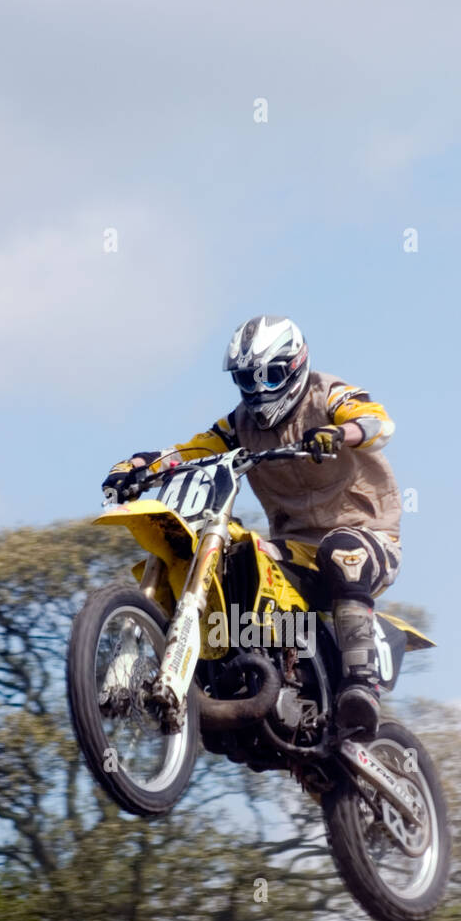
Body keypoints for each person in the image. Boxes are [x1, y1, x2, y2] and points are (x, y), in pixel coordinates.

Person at [103, 315, 402, 736]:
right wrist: (138, 466)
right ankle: (258, 667)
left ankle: (360, 688)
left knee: (342, 553)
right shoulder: (239, 425)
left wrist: (340, 433)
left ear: (296, 367)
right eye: (249, 379)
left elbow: (379, 421)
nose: (261, 389)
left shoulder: (327, 394)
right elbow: (189, 451)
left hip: (367, 533)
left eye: (272, 375)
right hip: (295, 545)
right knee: (239, 558)